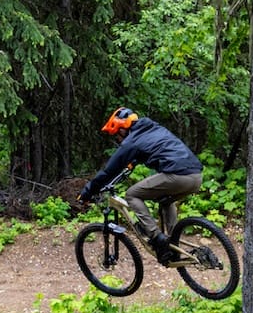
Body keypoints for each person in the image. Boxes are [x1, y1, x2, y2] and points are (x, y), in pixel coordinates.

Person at [78, 107, 203, 262]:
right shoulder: (153, 129)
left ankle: (157, 237)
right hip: (196, 176)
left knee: (132, 194)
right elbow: (133, 162)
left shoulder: (132, 141)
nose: (118, 139)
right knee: (165, 201)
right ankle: (172, 245)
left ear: (123, 129)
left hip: (177, 175)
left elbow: (108, 171)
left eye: (117, 135)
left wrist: (88, 192)